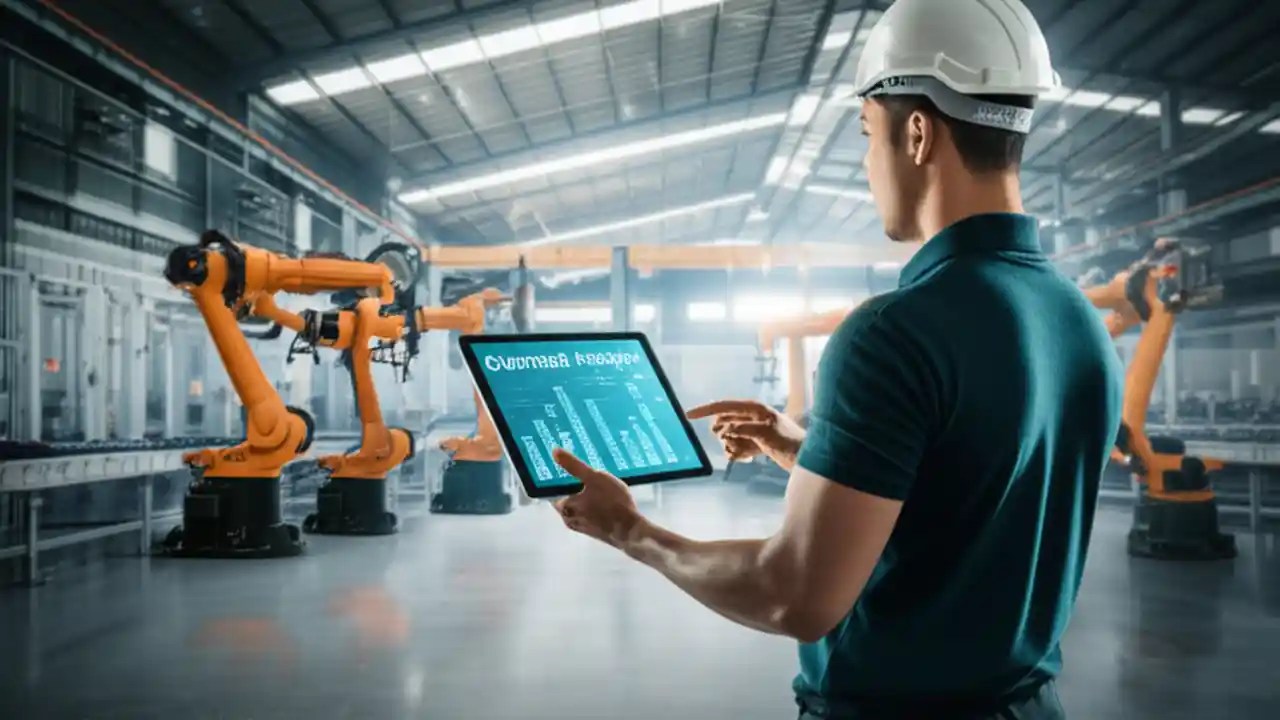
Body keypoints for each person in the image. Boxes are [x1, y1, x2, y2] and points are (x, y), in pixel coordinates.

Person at [549, 0, 1123, 717]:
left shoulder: (894, 331)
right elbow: (964, 496)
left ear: (916, 133)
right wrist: (806, 449)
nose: (865, 163)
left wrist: (631, 530)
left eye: (865, 133)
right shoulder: (1080, 321)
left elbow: (791, 594)